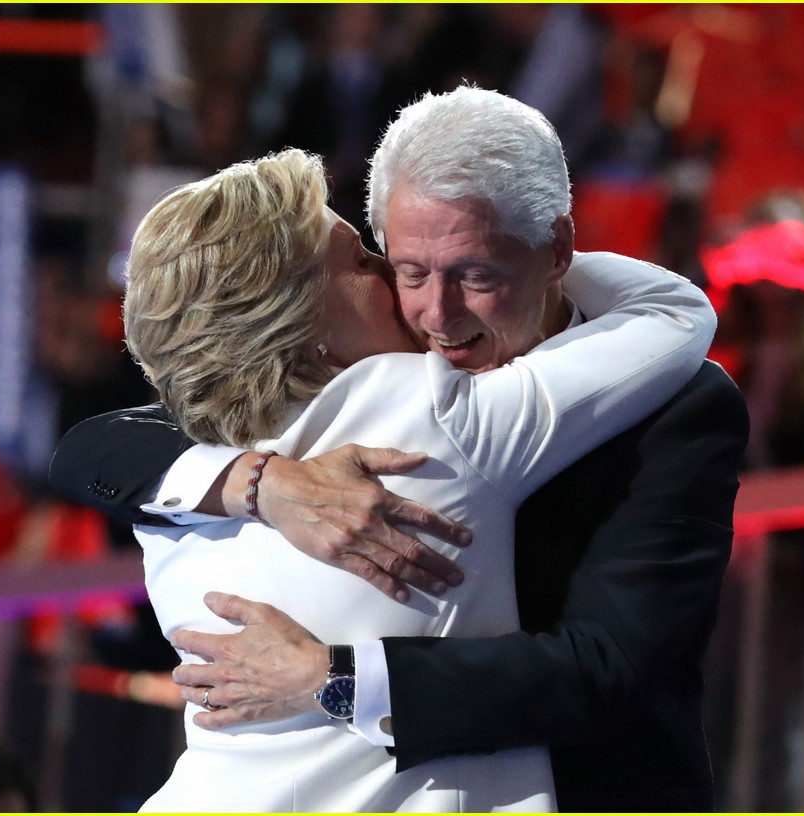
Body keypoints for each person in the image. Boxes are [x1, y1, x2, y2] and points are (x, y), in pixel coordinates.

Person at [51, 86, 748, 811]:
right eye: (399, 267)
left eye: (475, 272)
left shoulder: (676, 407)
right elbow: (675, 310)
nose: (435, 313)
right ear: (300, 325)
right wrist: (265, 484)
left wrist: (332, 676)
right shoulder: (413, 401)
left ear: (558, 249)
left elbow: (608, 671)